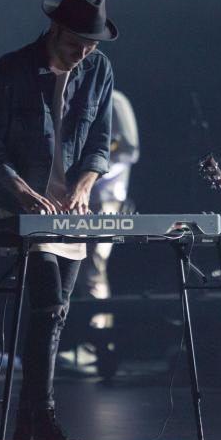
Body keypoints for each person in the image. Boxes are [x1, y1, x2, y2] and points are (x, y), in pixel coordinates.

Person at [0, 0, 116, 440]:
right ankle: (43, 415)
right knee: (49, 305)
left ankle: (29, 420)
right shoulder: (12, 69)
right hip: (26, 206)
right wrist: (19, 189)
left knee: (56, 314)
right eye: (76, 44)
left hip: (70, 210)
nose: (82, 54)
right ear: (55, 29)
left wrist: (83, 185)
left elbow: (99, 143)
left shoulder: (98, 69)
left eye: (90, 46)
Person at [77, 88, 139, 300]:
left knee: (93, 268)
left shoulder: (115, 100)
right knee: (75, 268)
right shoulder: (78, 99)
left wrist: (90, 176)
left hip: (105, 199)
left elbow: (129, 151)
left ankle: (98, 328)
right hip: (77, 198)